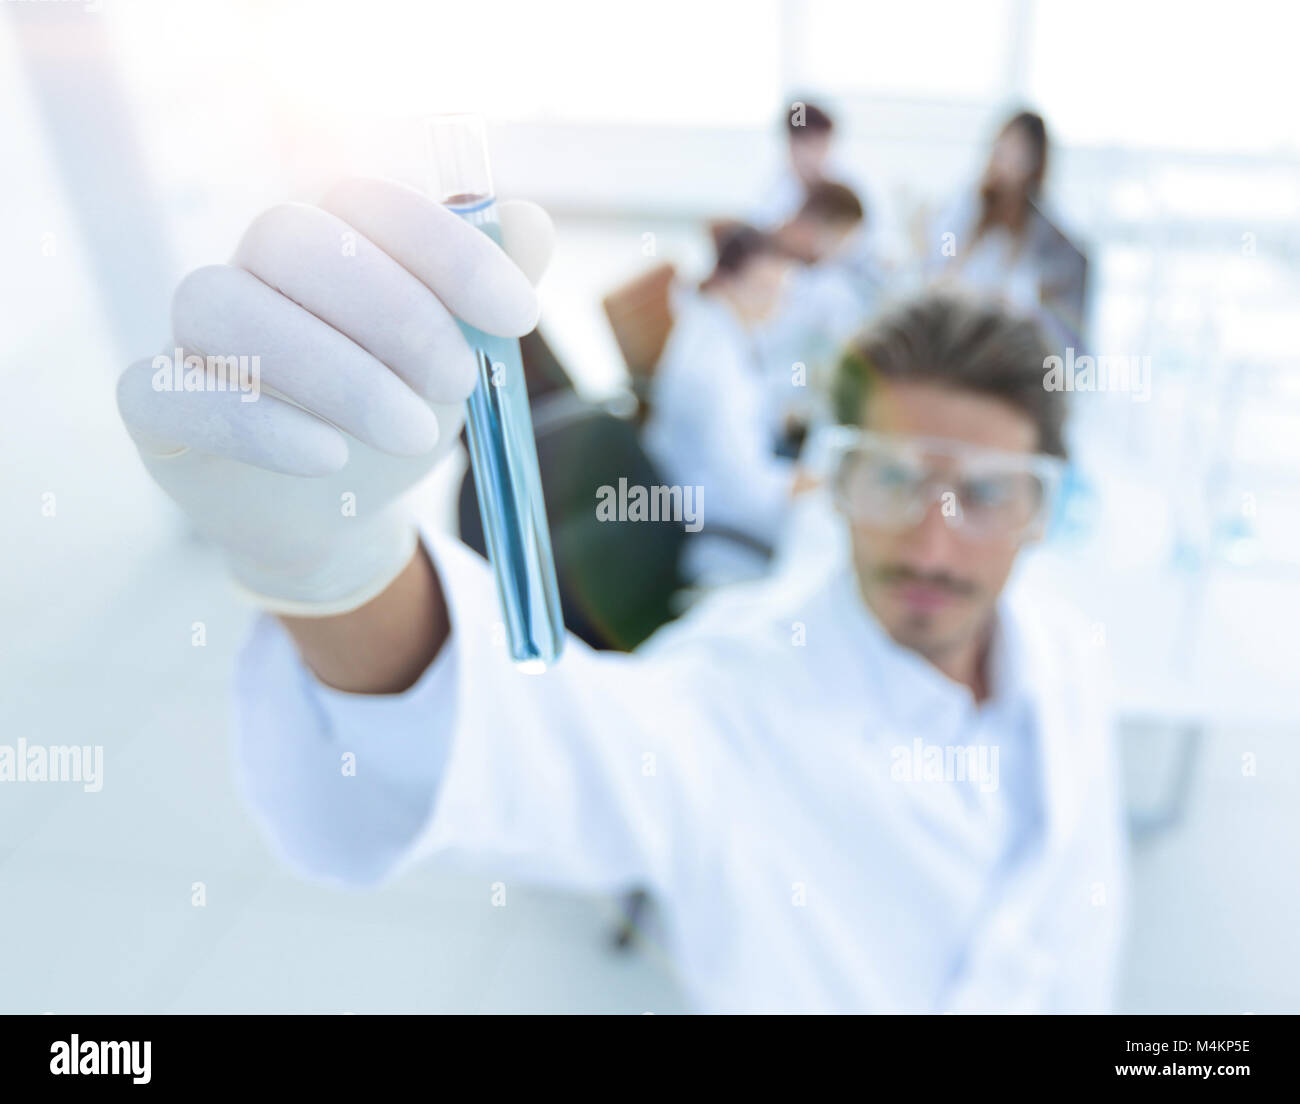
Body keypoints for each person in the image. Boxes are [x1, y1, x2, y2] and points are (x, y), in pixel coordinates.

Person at [116, 180, 1127, 1013]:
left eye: (990, 493)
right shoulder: (734, 698)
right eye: (895, 477)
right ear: (835, 480)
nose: (936, 539)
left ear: (1047, 511)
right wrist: (331, 565)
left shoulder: (1068, 655)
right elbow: (526, 736)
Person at [641, 224, 797, 584]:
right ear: (726, 282)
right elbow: (746, 488)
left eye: (781, 291)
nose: (776, 304)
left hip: (718, 494)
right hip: (719, 524)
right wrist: (807, 482)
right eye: (764, 290)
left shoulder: (714, 324)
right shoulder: (712, 366)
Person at [927, 110, 1088, 348]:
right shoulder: (967, 207)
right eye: (1005, 147)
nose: (1009, 159)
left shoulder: (1043, 232)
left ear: (1036, 161)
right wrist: (950, 274)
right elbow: (944, 252)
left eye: (1020, 151)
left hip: (1002, 342)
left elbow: (1033, 296)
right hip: (955, 331)